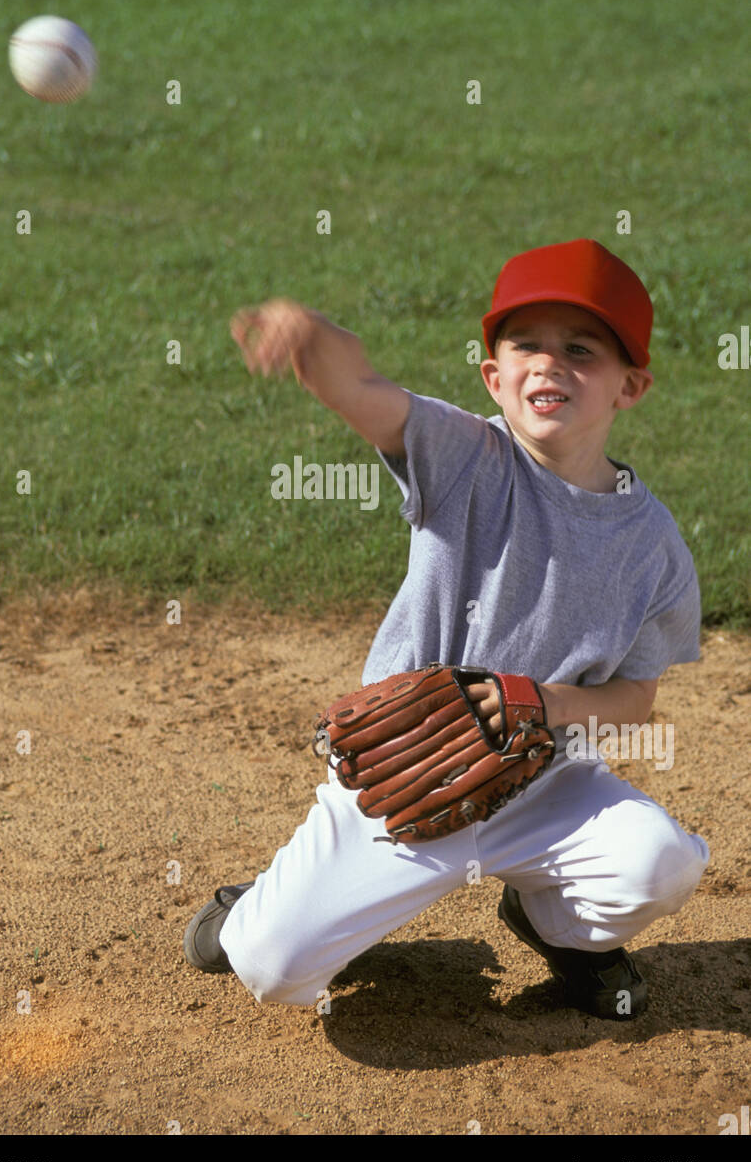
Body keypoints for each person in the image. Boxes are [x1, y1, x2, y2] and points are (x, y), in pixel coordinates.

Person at [184, 238, 709, 1019]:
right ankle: (258, 908)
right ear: (493, 377)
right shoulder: (464, 456)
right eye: (524, 345)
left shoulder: (653, 546)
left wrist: (548, 704)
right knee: (273, 968)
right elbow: (355, 386)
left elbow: (635, 698)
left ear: (629, 386)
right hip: (404, 777)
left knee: (659, 863)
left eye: (580, 349)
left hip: (544, 785)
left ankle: (557, 930)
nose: (548, 365)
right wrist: (308, 332)